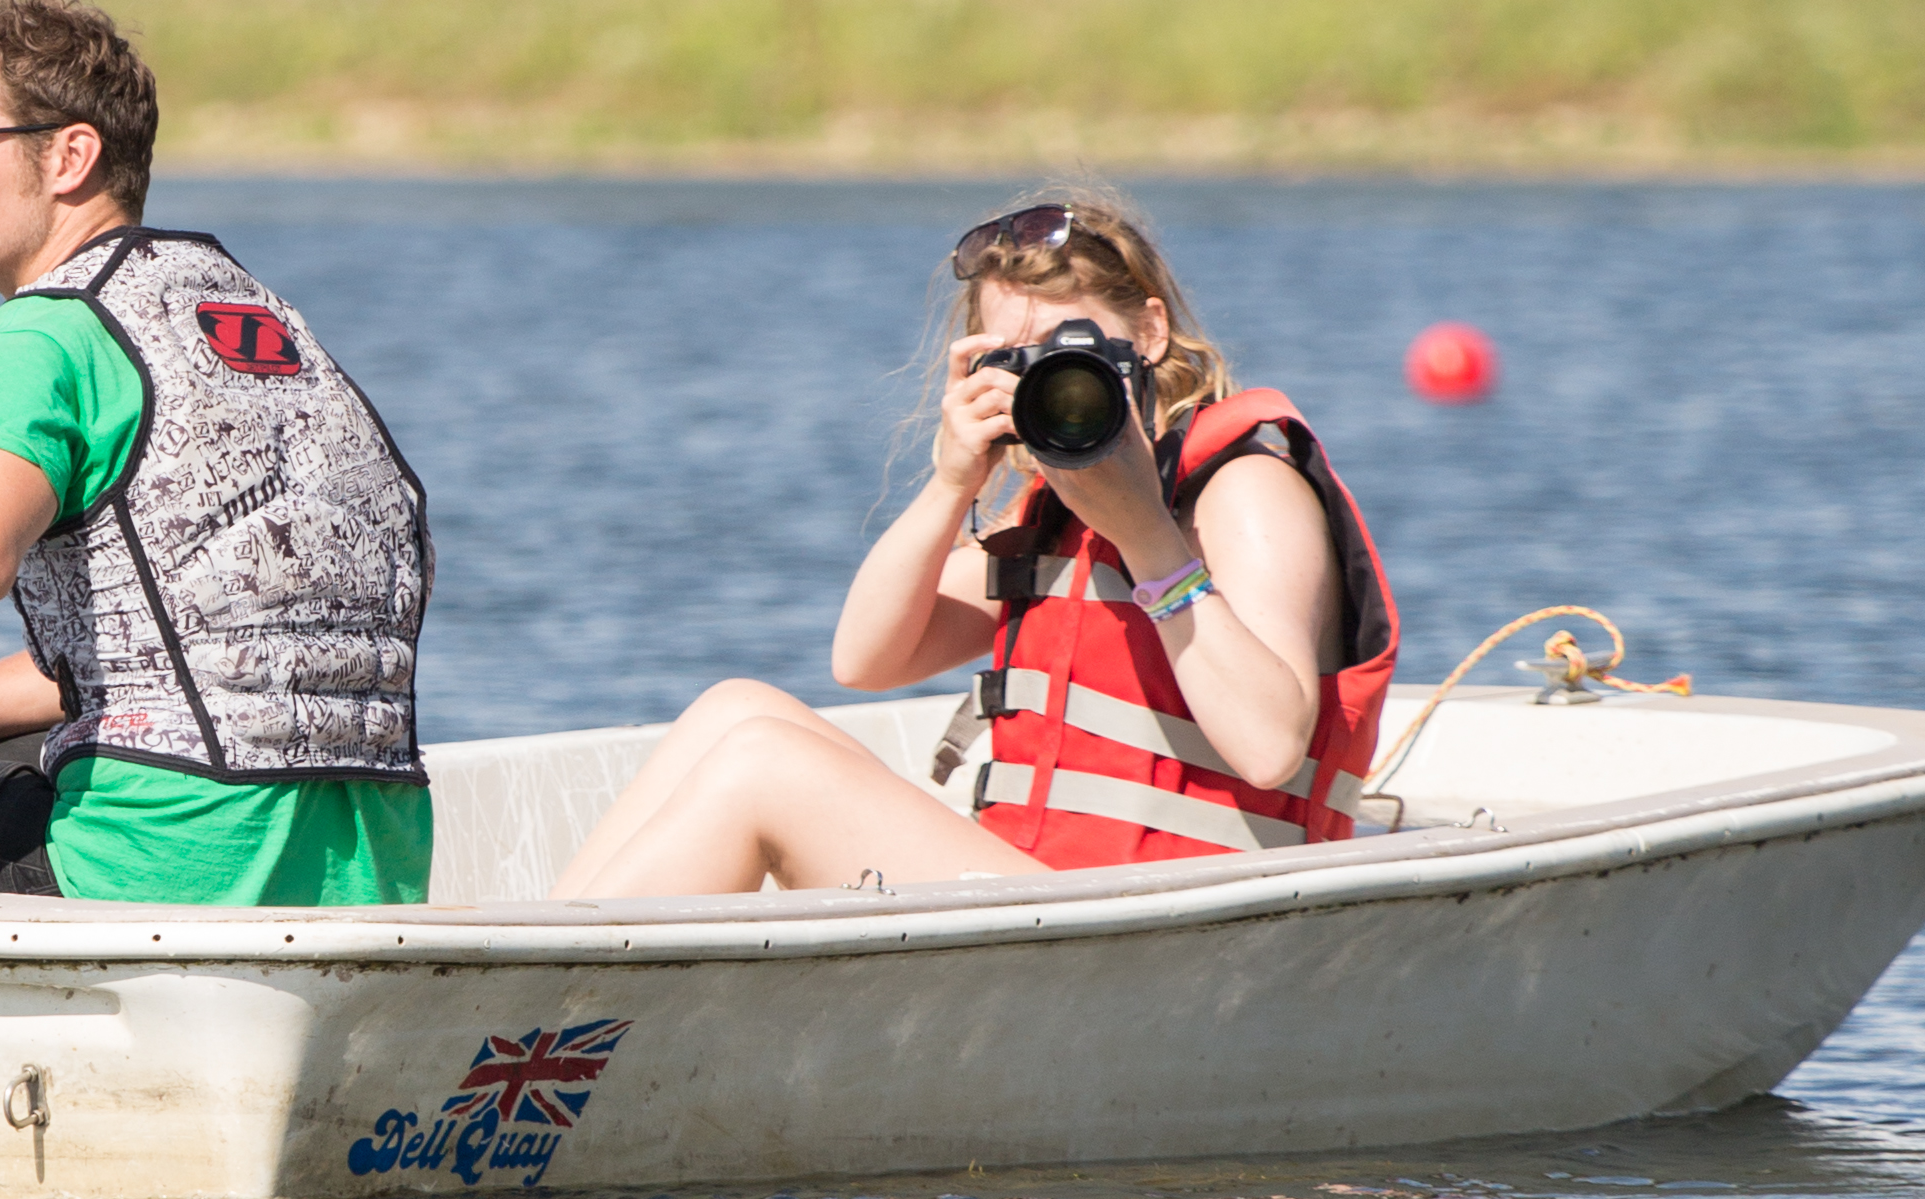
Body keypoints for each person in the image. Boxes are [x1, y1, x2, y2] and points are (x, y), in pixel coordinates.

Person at [0, 0, 436, 909]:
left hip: (167, 860)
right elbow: (169, 648)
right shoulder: (255, 321)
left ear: (70, 156)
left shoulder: (35, 339)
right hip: (366, 868)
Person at [552, 191, 1396, 906]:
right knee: (736, 710)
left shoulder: (1242, 493)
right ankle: (516, 991)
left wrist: (1144, 530)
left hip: (1177, 925)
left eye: (1069, 347)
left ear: (1148, 331)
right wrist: (952, 482)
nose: (1048, 378)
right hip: (1040, 901)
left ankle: (528, 1024)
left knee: (762, 766)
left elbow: (1270, 746)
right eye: (1011, 359)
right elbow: (865, 660)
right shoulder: (1058, 511)